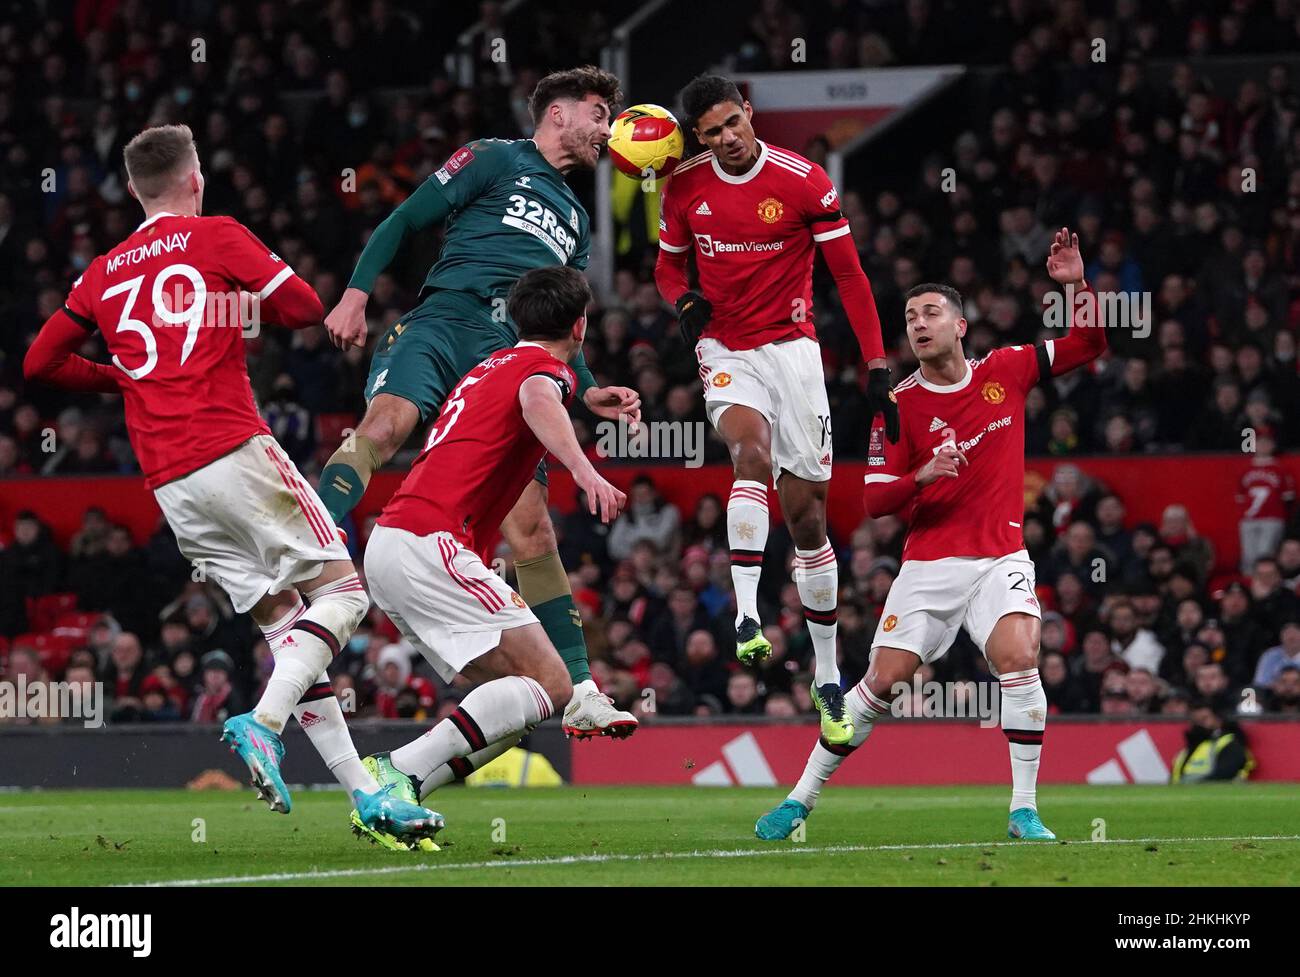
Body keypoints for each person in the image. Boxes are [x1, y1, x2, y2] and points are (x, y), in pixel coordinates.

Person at [22, 123, 437, 847]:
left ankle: (367, 796)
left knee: (286, 626)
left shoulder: (103, 271)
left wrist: (112, 376)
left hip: (170, 483)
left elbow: (38, 363)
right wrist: (244, 307)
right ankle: (262, 723)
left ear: (132, 190)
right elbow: (307, 308)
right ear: (195, 178)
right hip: (233, 448)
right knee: (344, 592)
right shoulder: (212, 235)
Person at [319, 66, 640, 738]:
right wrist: (355, 292)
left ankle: (579, 688)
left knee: (533, 527)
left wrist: (592, 382)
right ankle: (310, 548)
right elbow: (406, 219)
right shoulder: (496, 158)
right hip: (444, 320)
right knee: (387, 423)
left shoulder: (579, 220)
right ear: (558, 113)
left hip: (505, 355)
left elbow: (561, 324)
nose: (608, 131)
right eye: (600, 113)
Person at [757, 227, 1106, 842]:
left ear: (960, 326)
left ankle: (1024, 810)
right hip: (929, 566)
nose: (918, 324)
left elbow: (1088, 343)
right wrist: (921, 475)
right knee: (882, 684)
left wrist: (1076, 283)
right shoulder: (898, 403)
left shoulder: (1009, 370)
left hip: (1001, 557)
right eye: (911, 316)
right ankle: (800, 798)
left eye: (931, 313)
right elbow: (872, 501)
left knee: (1020, 660)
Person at [654, 74, 896, 748]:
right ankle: (747, 617)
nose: (727, 139)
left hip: (794, 353)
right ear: (697, 138)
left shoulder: (804, 180)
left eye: (733, 123)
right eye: (711, 132)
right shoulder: (684, 188)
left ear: (749, 114)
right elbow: (669, 269)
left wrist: (876, 364)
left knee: (809, 520)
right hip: (726, 347)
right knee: (749, 451)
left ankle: (827, 677)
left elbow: (849, 275)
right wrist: (684, 305)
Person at [362, 266, 629, 817]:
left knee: (518, 702)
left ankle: (404, 797)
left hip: (394, 544)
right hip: (429, 543)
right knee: (553, 684)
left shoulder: (489, 365)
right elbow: (537, 400)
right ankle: (396, 769)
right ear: (580, 327)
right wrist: (584, 470)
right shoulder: (545, 371)